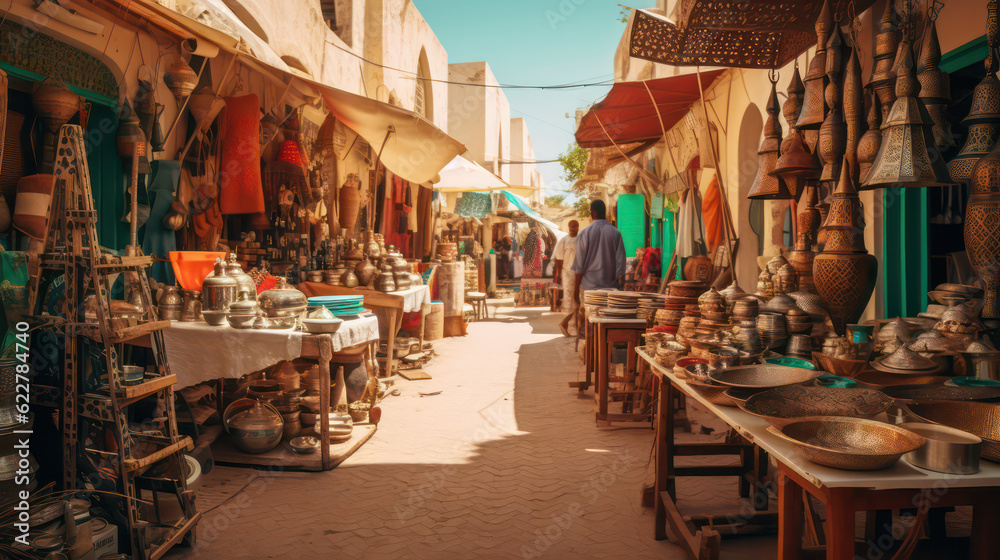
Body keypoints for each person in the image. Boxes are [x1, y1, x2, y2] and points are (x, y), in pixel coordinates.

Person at [572, 200, 627, 306]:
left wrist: (575, 292)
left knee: (590, 319)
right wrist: (620, 287)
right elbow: (621, 265)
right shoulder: (615, 233)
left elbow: (579, 267)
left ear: (593, 212)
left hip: (590, 290)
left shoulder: (585, 233)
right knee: (607, 320)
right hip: (610, 290)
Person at [553, 220, 580, 337]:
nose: (573, 229)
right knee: (570, 301)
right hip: (568, 274)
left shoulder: (581, 239)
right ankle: (567, 325)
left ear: (578, 227)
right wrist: (558, 275)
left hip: (580, 274)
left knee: (580, 301)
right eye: (571, 227)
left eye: (575, 227)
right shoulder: (564, 240)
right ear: (569, 227)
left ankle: (573, 327)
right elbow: (558, 258)